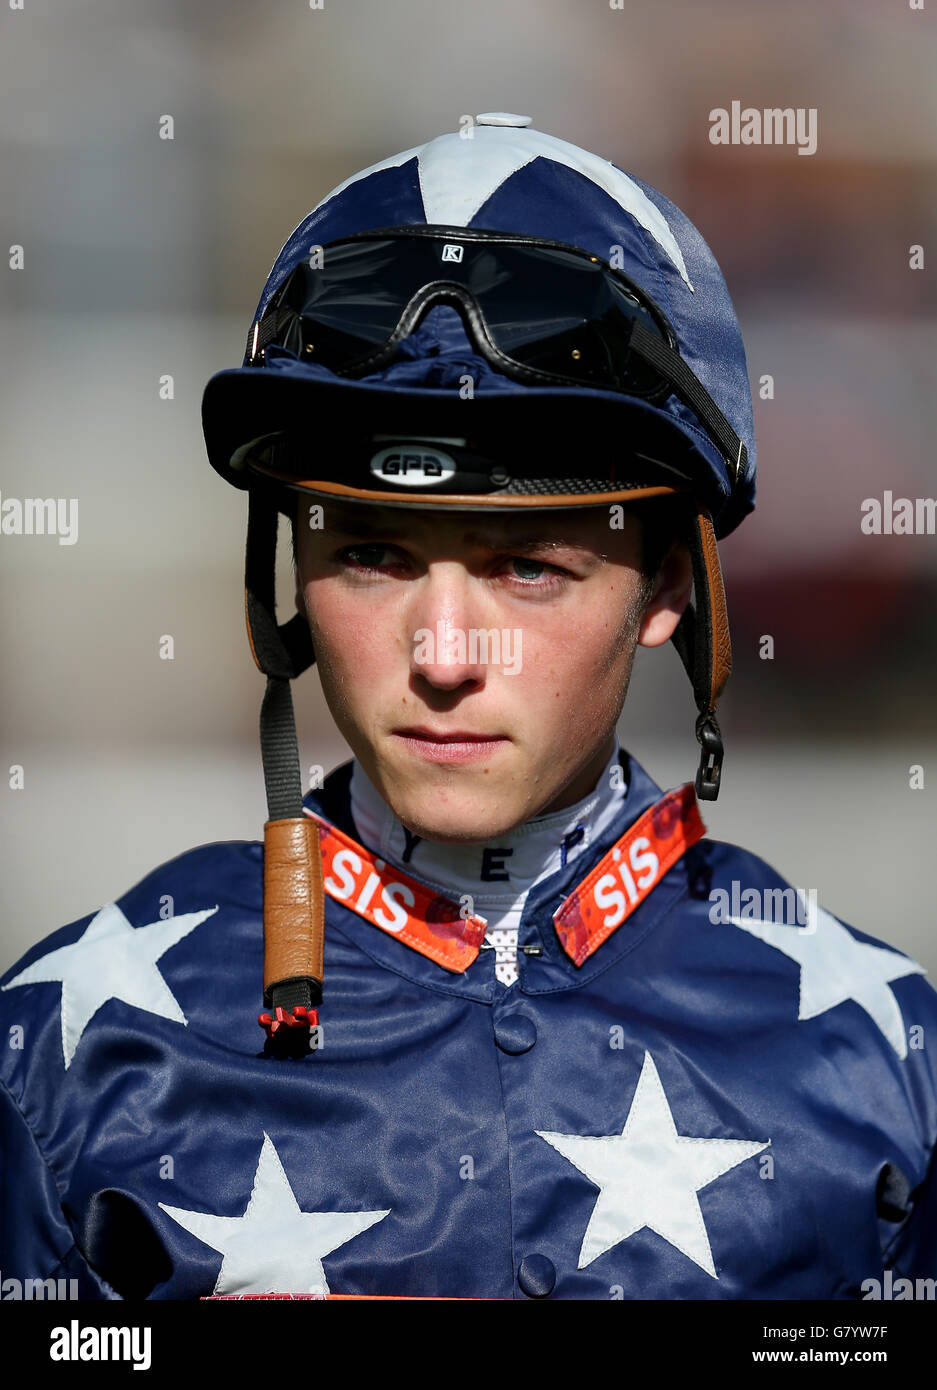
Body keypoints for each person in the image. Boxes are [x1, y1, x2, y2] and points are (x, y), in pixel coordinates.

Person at [1, 114, 934, 1303]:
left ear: (667, 588)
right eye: (376, 555)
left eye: (528, 567)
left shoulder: (887, 1064)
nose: (443, 655)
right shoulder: (64, 1049)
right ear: (285, 574)